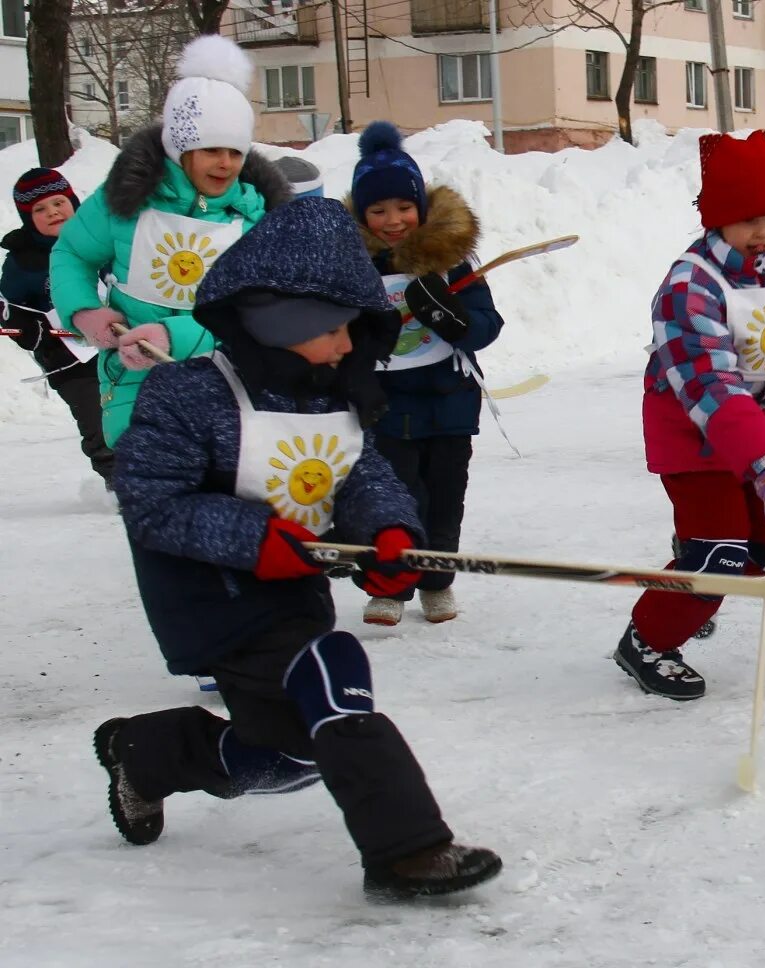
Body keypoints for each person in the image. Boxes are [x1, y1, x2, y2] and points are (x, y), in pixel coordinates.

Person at [97, 197, 501, 899]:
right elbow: (152, 503)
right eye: (335, 329)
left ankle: (145, 753)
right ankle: (408, 851)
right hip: (216, 600)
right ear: (282, 322)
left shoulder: (329, 396)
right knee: (332, 668)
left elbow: (362, 477)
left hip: (294, 591)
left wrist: (389, 536)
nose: (347, 346)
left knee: (289, 754)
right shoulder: (187, 395)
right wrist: (255, 537)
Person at [615, 130, 765, 701]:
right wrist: (763, 458)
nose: (762, 231)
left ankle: (695, 572)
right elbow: (709, 386)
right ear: (717, 219)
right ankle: (649, 639)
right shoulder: (688, 285)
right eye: (746, 220)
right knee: (720, 556)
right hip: (695, 431)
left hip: (761, 427)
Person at [50, 33, 289, 449]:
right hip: (135, 389)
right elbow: (72, 252)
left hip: (227, 391)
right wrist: (84, 311)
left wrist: (173, 336)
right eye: (211, 149)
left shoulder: (256, 217)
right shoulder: (125, 200)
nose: (225, 163)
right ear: (180, 149)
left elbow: (262, 312)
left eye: (235, 152)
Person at [346, 121, 505, 627]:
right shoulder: (351, 266)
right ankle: (389, 586)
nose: (393, 220)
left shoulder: (450, 260)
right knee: (390, 501)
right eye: (378, 210)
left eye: (403, 207)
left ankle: (437, 581)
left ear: (420, 205)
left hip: (449, 401)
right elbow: (333, 332)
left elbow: (487, 324)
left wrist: (456, 320)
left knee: (444, 501)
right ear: (362, 215)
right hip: (386, 407)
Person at [1, 168, 113, 487]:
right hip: (69, 359)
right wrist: (27, 327)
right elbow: (7, 308)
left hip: (121, 347)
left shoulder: (100, 240)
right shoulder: (23, 262)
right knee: (98, 420)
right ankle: (119, 481)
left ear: (73, 203)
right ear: (27, 218)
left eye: (58, 202)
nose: (52, 212)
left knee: (141, 413)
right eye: (40, 208)